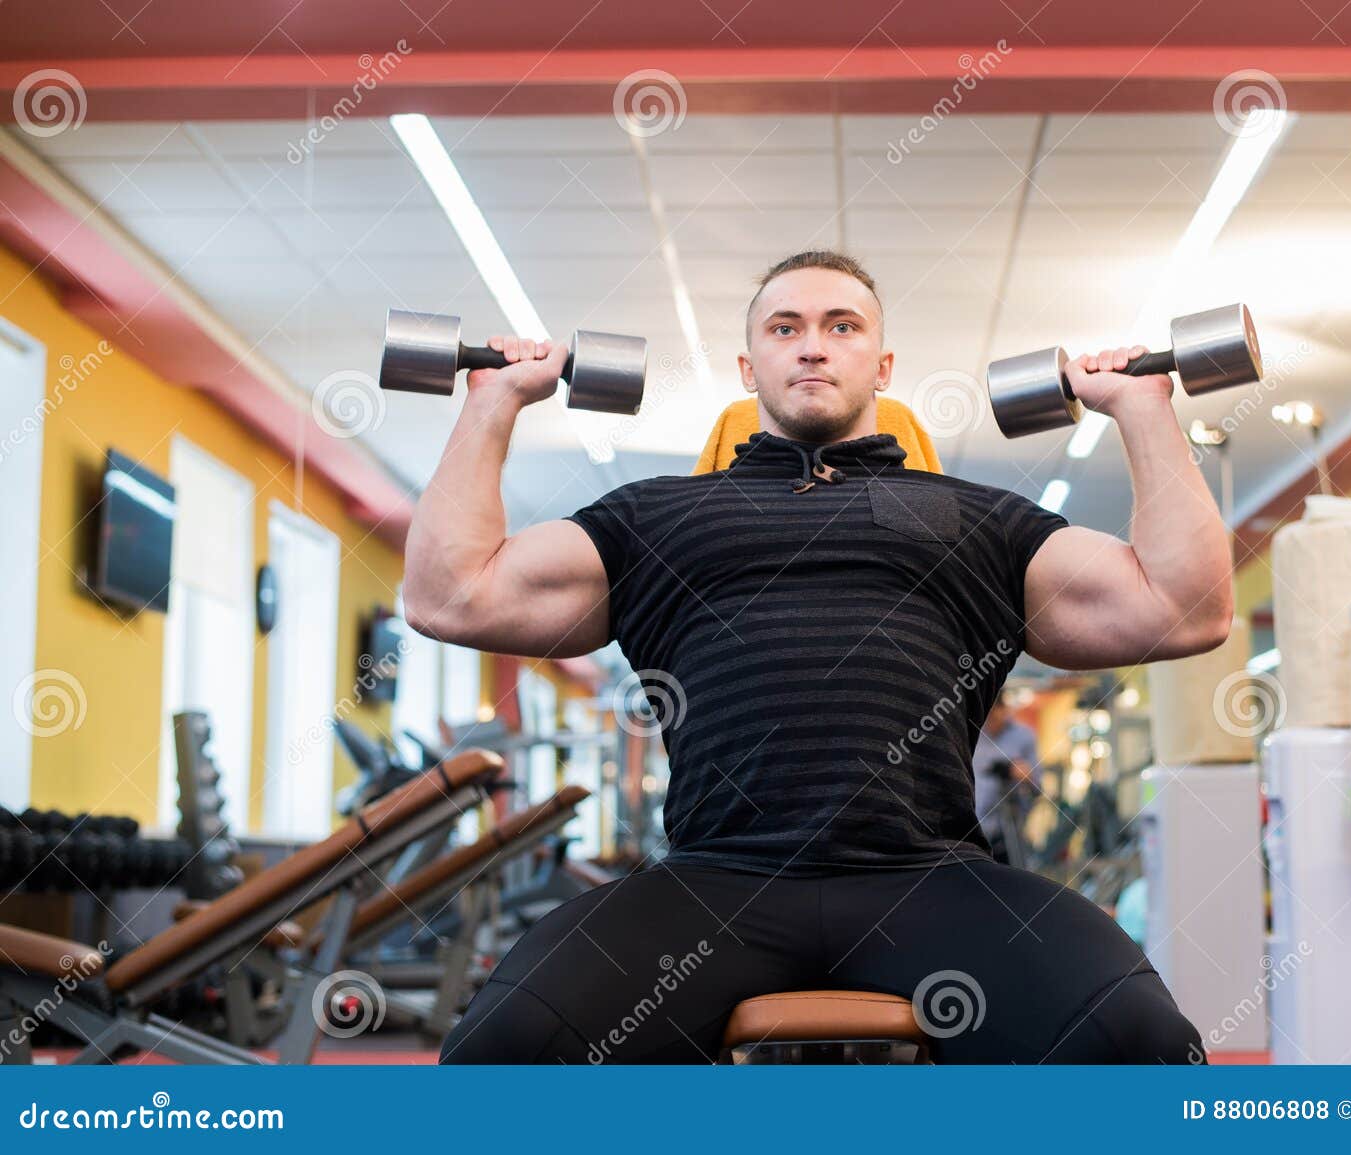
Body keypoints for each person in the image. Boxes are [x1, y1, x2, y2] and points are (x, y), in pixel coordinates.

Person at [403, 250, 1233, 1063]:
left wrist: (1141, 407)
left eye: (842, 325)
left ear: (883, 364)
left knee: (1143, 1043)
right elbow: (450, 595)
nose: (812, 344)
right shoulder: (656, 519)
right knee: (504, 1050)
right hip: (714, 885)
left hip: (928, 880)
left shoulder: (978, 520)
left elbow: (1185, 610)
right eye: (785, 326)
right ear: (747, 364)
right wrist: (495, 399)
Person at [972, 696, 1039, 864]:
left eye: (994, 714)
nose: (990, 721)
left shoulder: (1023, 736)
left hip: (1010, 830)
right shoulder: (971, 733)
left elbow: (1038, 788)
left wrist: (1025, 775)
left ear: (1003, 709)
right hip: (975, 830)